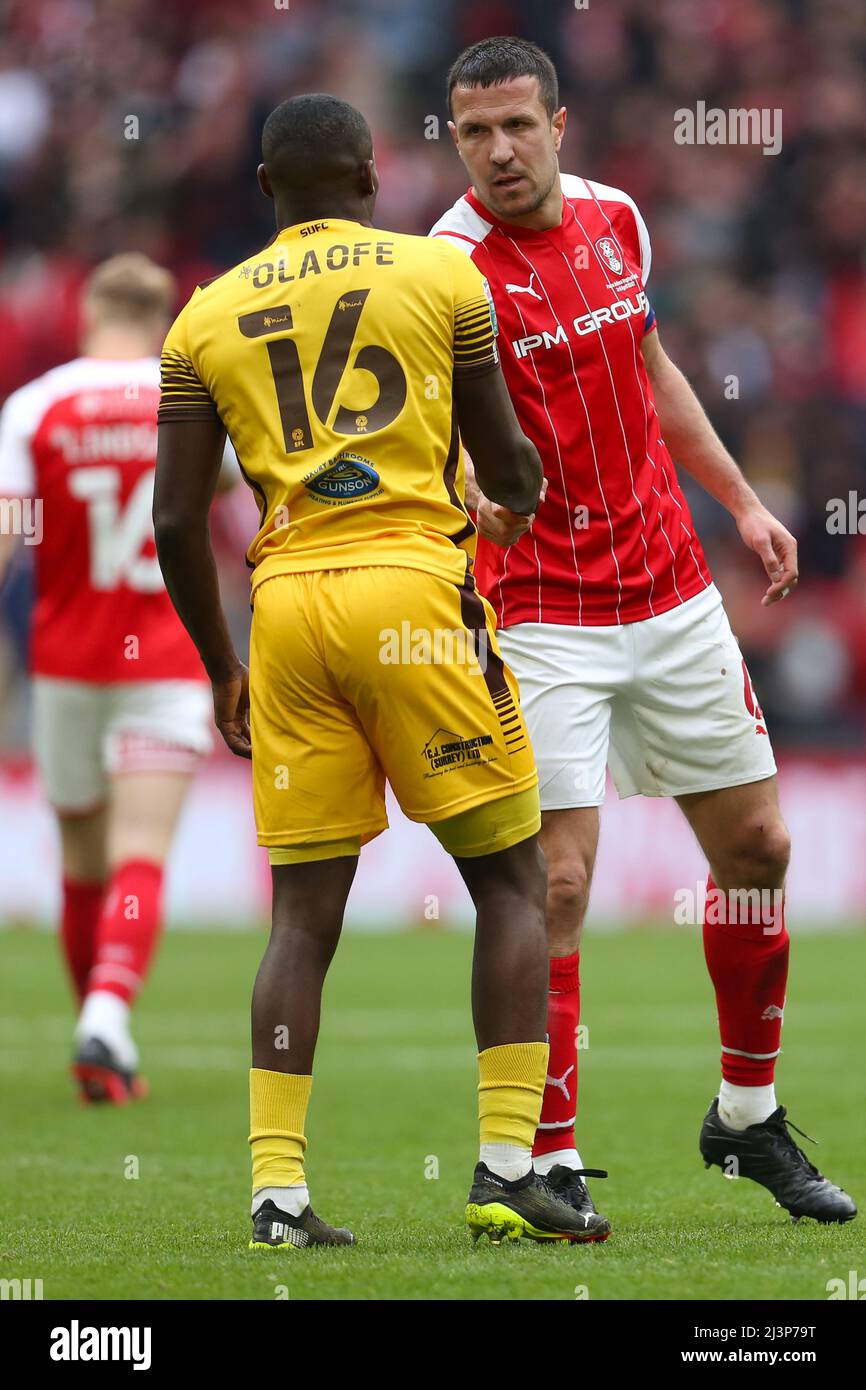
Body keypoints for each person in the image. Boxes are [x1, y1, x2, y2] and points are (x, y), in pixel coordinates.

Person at [153, 92, 604, 1249]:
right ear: (368, 173)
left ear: (266, 190)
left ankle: (277, 1194)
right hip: (412, 589)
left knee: (300, 916)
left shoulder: (202, 318)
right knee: (508, 882)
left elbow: (170, 519)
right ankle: (510, 1167)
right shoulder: (440, 279)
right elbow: (506, 460)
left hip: (289, 607)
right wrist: (515, 501)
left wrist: (221, 664)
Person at [430, 36, 855, 1227]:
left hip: (671, 592)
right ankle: (545, 1157)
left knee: (759, 851)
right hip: (544, 612)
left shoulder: (617, 217)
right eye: (475, 133)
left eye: (518, 125)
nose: (500, 151)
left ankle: (744, 1118)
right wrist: (469, 485)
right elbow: (442, 427)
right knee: (556, 880)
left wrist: (743, 501)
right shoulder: (446, 267)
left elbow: (652, 365)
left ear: (560, 124)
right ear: (454, 141)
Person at [0, 254, 218, 1104]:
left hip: (65, 665)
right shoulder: (190, 401)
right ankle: (108, 1011)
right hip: (165, 658)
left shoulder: (35, 406)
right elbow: (235, 514)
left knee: (82, 862)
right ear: (165, 317)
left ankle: (96, 1026)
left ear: (91, 310)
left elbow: (8, 537)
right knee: (142, 856)